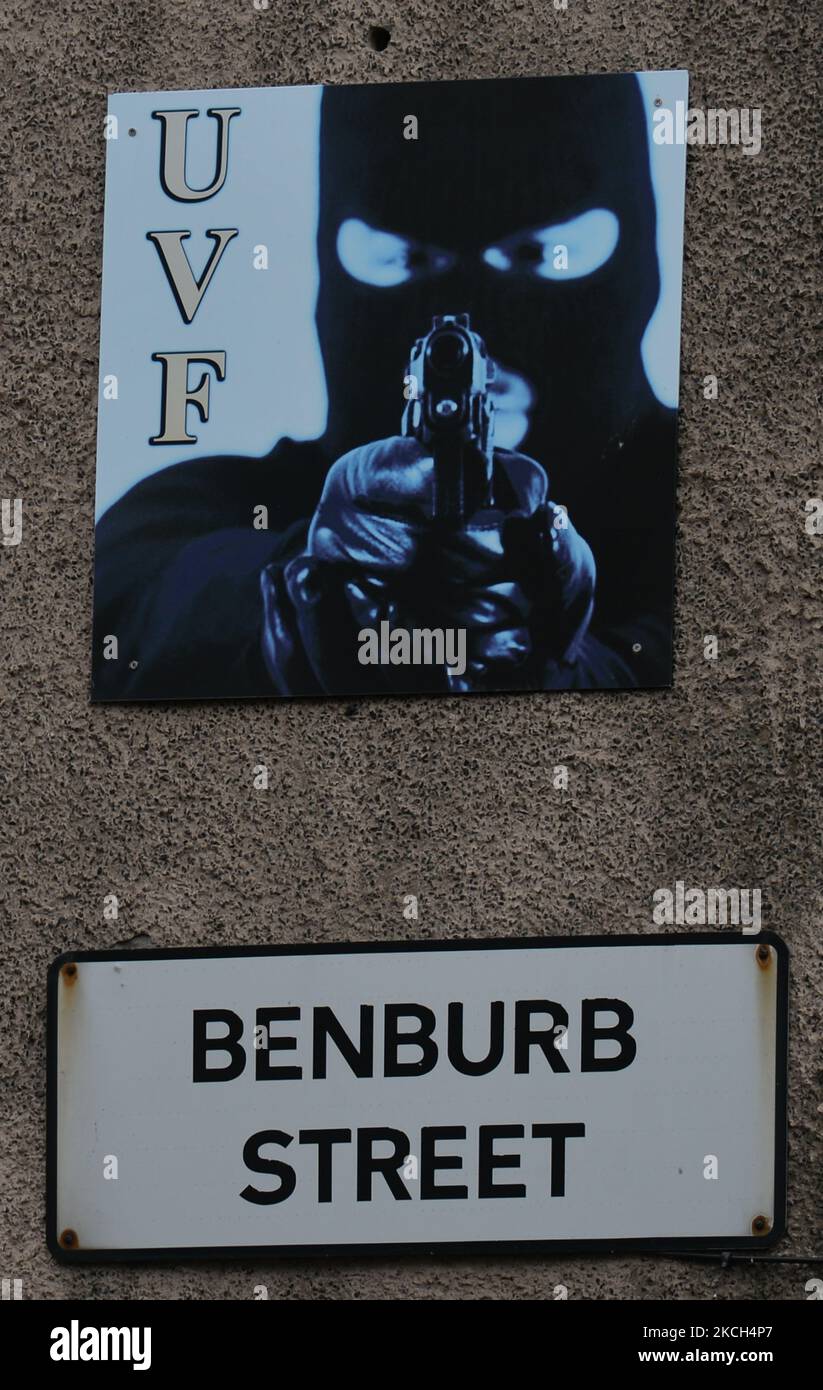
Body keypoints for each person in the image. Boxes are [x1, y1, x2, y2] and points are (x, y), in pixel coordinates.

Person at [92, 73, 676, 701]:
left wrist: (576, 670)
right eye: (402, 259)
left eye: (543, 254)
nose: (473, 323)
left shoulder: (696, 490)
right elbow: (129, 617)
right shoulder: (207, 509)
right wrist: (301, 603)